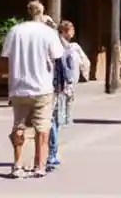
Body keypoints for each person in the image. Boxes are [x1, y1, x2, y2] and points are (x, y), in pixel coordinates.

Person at [2, 0, 64, 179]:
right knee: (42, 128)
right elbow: (58, 55)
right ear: (42, 12)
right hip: (42, 85)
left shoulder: (15, 31)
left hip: (19, 85)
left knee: (19, 126)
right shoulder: (48, 32)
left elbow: (6, 54)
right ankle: (40, 165)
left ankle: (18, 165)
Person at [46, 18, 79, 172]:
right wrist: (69, 82)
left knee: (57, 120)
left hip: (60, 86)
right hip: (59, 87)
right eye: (71, 29)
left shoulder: (65, 46)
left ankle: (53, 151)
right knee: (55, 120)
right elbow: (66, 69)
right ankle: (52, 152)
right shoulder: (63, 47)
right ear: (65, 31)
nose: (73, 32)